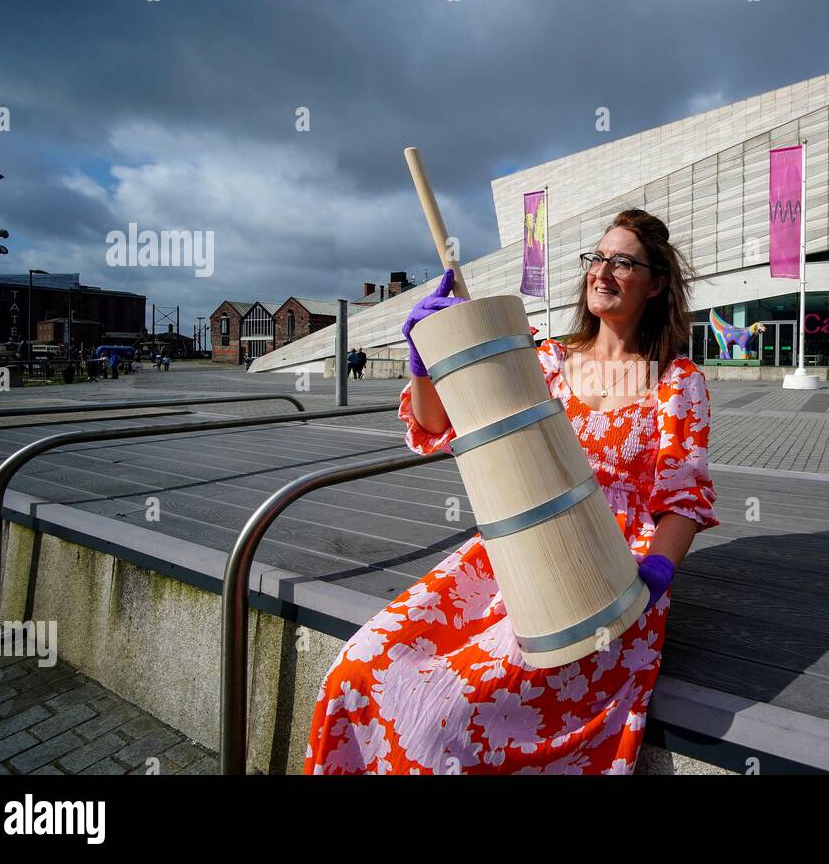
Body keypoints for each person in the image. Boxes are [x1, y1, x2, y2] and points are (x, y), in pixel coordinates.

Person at [305, 209, 719, 775]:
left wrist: (656, 574)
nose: (602, 272)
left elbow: (683, 500)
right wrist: (429, 358)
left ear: (658, 282)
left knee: (442, 718)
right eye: (596, 258)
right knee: (357, 667)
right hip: (515, 548)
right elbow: (439, 425)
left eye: (623, 262)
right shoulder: (543, 360)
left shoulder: (677, 380)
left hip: (610, 577)